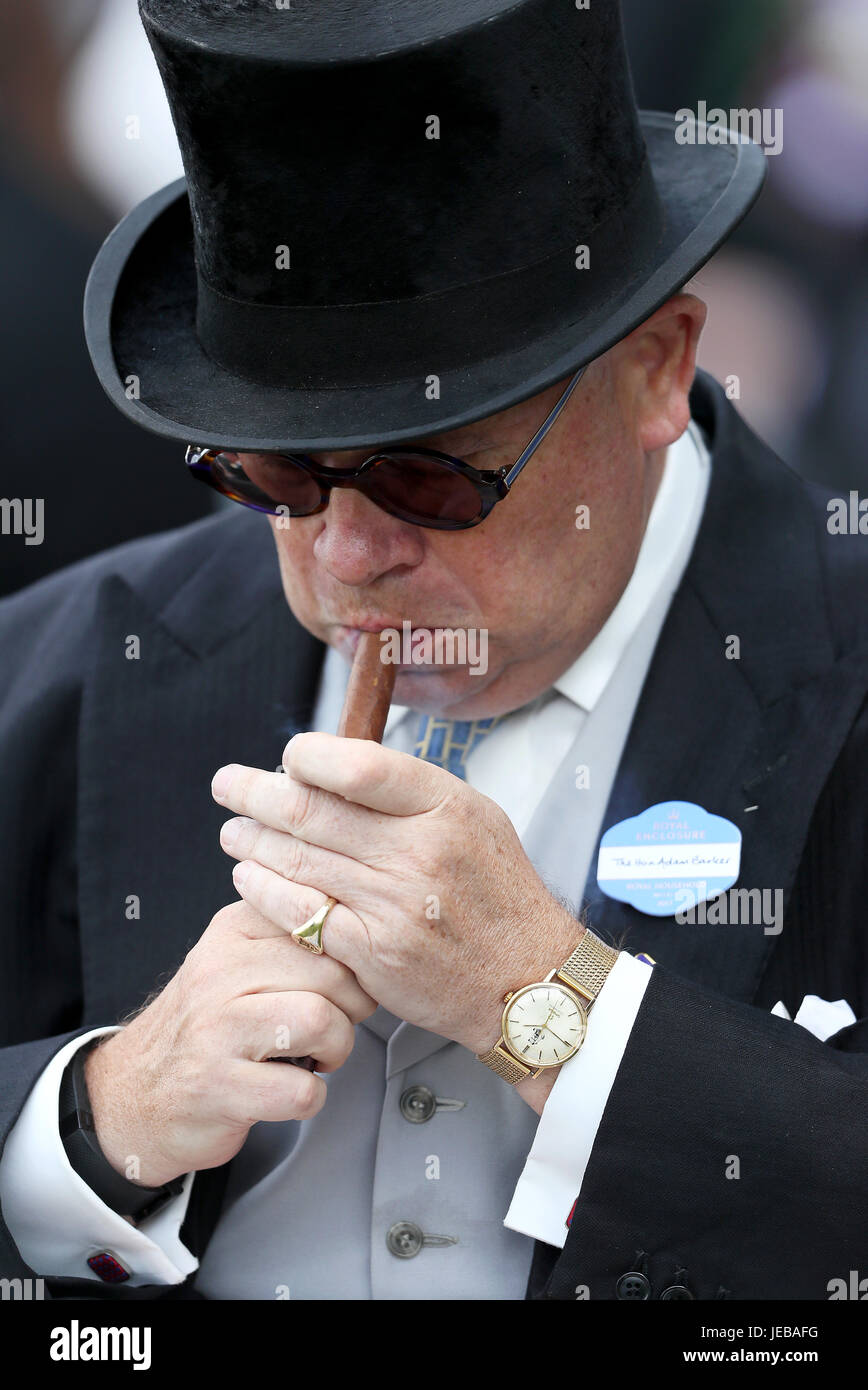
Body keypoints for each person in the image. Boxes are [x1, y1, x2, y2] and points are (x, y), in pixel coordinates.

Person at [0, 0, 866, 1301]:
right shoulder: (58, 663)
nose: (344, 559)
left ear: (655, 369)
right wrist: (92, 1116)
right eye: (274, 480)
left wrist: (556, 1005)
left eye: (431, 480)